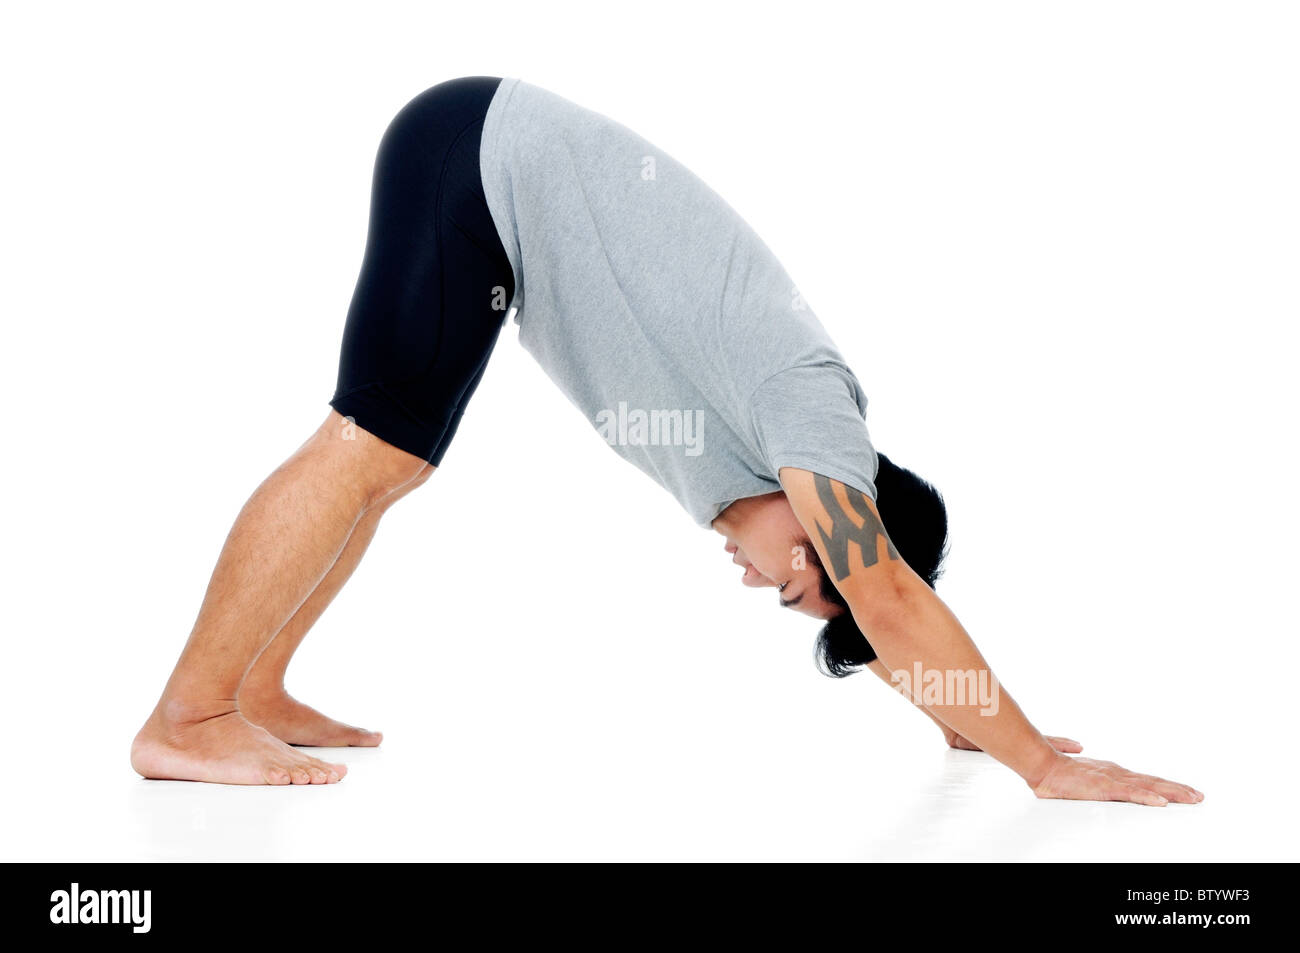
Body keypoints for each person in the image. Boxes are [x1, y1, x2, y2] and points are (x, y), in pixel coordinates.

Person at [130, 76, 1202, 806]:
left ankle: (254, 687)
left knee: (394, 458)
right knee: (370, 441)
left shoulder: (753, 462)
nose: (757, 581)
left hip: (480, 169)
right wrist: (1037, 765)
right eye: (792, 582)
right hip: (478, 158)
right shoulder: (811, 408)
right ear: (845, 510)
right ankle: (190, 714)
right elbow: (885, 593)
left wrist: (964, 722)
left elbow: (877, 614)